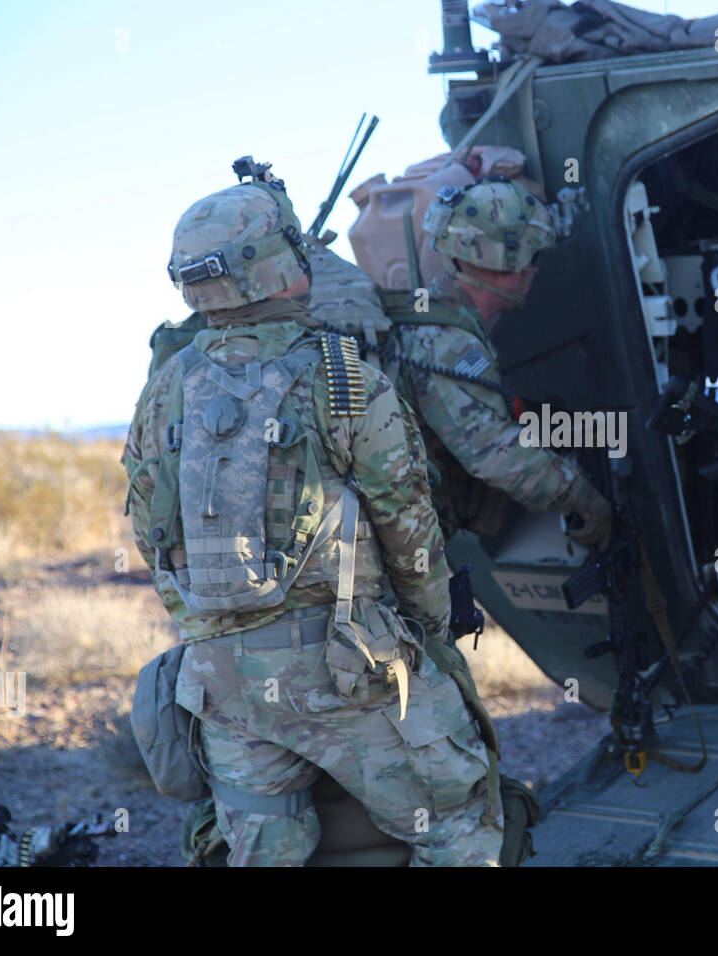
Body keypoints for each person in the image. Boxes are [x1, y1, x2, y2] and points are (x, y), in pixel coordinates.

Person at [123, 167, 502, 866]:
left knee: (265, 853)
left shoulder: (163, 389)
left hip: (223, 688)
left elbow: (152, 536)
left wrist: (210, 630)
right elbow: (409, 528)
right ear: (282, 266)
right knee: (463, 821)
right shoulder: (341, 372)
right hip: (346, 671)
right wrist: (431, 639)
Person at [368, 175, 612, 545]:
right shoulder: (449, 344)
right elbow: (495, 453)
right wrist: (581, 496)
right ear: (506, 260)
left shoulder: (437, 319)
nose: (534, 269)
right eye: (533, 256)